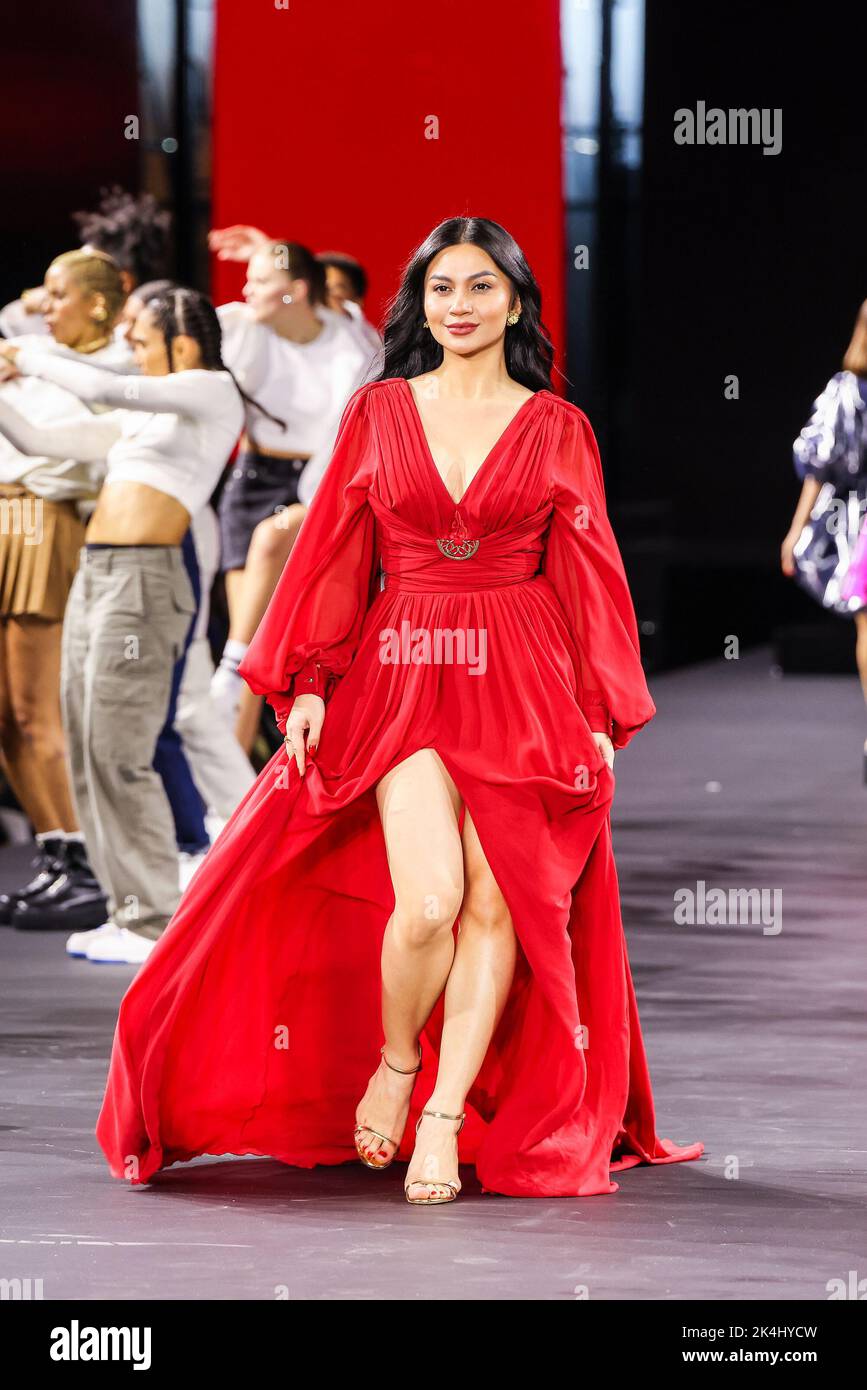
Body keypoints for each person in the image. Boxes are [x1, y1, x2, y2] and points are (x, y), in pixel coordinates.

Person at [92, 216, 704, 1204]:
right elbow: (334, 549)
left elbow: (591, 573)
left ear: (516, 302)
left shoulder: (559, 428)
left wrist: (601, 711)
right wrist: (311, 683)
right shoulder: (379, 411)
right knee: (429, 904)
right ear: (421, 303)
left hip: (527, 680)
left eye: (479, 288)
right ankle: (395, 1058)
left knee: (501, 902)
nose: (457, 307)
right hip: (401, 668)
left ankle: (446, 1115)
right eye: (440, 289)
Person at [0, 288, 245, 964]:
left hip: (144, 583)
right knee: (85, 745)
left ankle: (153, 919)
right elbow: (39, 439)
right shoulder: (143, 421)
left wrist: (26, 352)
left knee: (119, 749)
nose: (132, 348)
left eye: (142, 336)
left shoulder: (209, 389)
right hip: (97, 575)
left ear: (183, 341)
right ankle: (125, 908)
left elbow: (105, 388)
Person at [0, 249, 132, 932]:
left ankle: (83, 865)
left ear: (101, 304)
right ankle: (57, 854)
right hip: (4, 517)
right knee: (3, 718)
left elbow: (64, 456)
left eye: (59, 296)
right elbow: (16, 315)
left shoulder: (110, 368)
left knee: (35, 710)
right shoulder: (36, 350)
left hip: (41, 523)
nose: (43, 308)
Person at [208, 238, 372, 751]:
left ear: (296, 292)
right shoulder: (238, 324)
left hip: (321, 484)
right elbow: (156, 332)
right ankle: (231, 795)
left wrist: (318, 502)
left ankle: (232, 666)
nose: (246, 290)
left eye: (260, 282)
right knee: (254, 642)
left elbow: (346, 445)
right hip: (252, 477)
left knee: (270, 543)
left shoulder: (351, 350)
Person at [782, 298, 867, 777]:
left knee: (866, 627)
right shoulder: (846, 392)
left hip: (861, 525)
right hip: (862, 524)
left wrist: (795, 532)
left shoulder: (846, 392)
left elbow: (818, 465)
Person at [0, 189, 171, 341]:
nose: (75, 271)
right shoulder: (37, 324)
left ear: (123, 281)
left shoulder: (141, 341)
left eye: (85, 272)